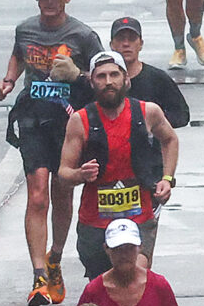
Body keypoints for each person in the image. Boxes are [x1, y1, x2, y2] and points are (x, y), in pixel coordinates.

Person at [0, 0, 106, 306]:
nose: (49, 1)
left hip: (68, 121)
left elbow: (103, 77)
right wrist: (9, 80)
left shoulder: (83, 35)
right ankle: (38, 276)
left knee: (62, 191)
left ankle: (55, 256)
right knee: (38, 193)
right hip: (33, 118)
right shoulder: (26, 29)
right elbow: (18, 53)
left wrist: (77, 74)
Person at [60, 50, 181, 282]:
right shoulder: (80, 121)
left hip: (139, 215)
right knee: (103, 286)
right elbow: (64, 174)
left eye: (114, 75)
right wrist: (79, 174)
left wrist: (167, 178)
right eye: (101, 76)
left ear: (126, 79)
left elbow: (170, 139)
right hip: (95, 221)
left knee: (137, 278)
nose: (109, 82)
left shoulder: (148, 111)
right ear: (92, 82)